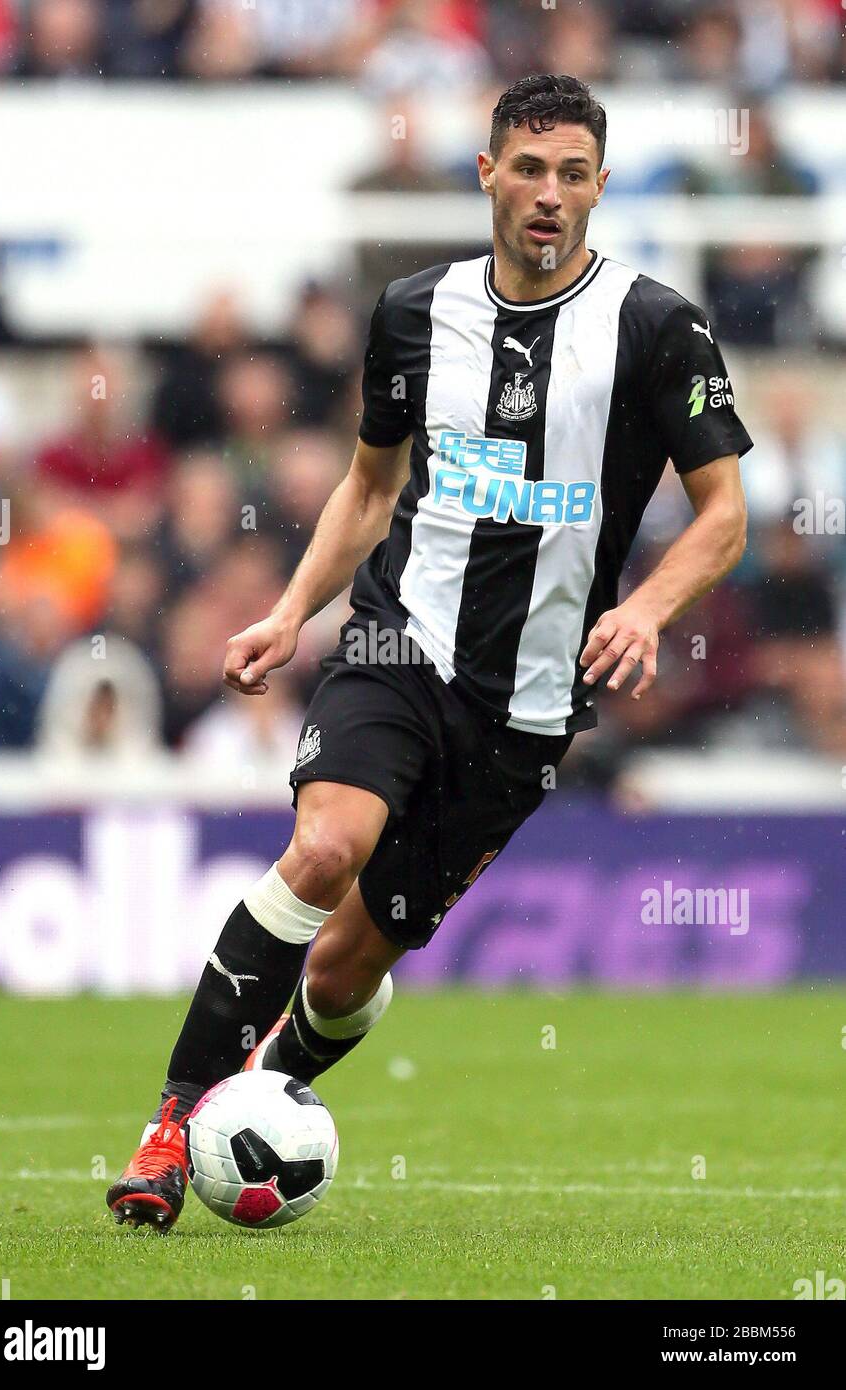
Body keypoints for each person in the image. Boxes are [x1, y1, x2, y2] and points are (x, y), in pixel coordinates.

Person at [106, 73, 752, 1231]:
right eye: (526, 168)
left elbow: (723, 515)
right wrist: (294, 609)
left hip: (530, 706)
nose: (547, 194)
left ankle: (261, 1085)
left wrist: (648, 607)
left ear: (599, 186)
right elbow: (368, 485)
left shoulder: (658, 328)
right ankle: (171, 1125)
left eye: (570, 173)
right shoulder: (414, 311)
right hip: (398, 641)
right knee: (326, 844)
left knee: (349, 971)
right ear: (487, 175)